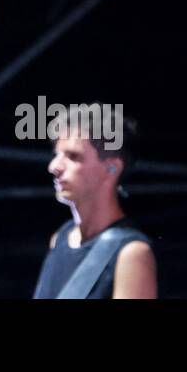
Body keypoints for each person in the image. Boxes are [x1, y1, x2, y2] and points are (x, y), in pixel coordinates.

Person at [32, 107, 157, 298]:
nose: (54, 166)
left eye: (73, 156)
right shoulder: (60, 238)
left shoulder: (131, 254)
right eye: (57, 155)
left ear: (111, 168)